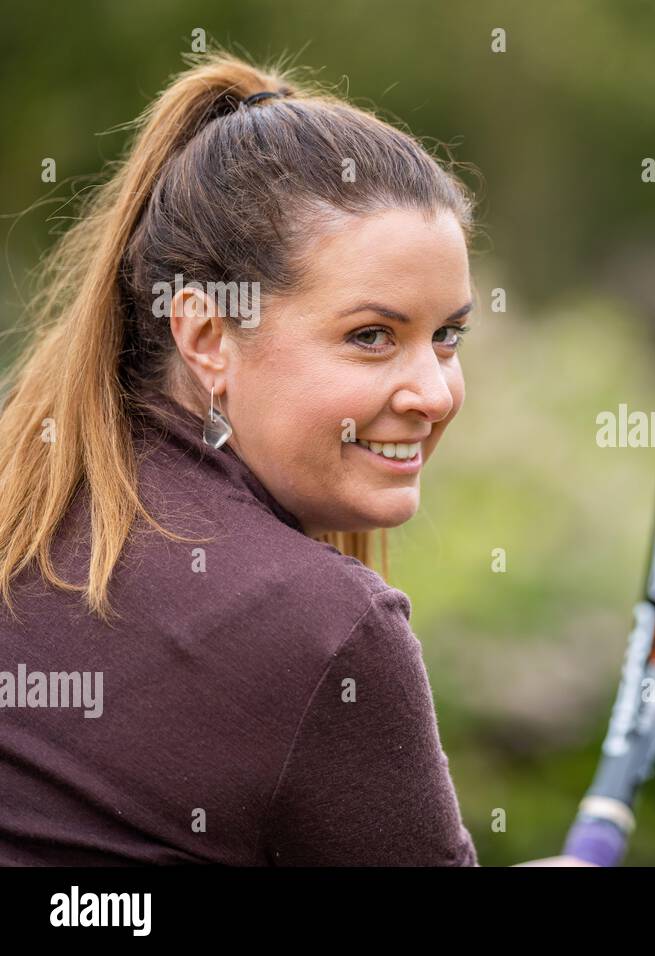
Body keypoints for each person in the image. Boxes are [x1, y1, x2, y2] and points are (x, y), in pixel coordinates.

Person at [0, 52, 587, 866]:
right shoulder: (328, 628)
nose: (435, 393)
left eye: (447, 336)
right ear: (206, 336)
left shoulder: (29, 513)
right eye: (371, 336)